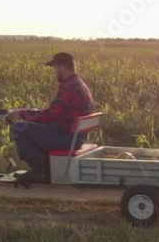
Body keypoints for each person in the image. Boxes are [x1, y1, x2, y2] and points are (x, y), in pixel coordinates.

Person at [8, 52, 95, 184]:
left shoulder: (69, 88)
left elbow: (50, 115)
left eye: (55, 68)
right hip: (76, 135)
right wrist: (27, 113)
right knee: (33, 128)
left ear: (62, 67)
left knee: (19, 128)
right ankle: (45, 169)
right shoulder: (79, 84)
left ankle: (39, 171)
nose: (54, 72)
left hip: (67, 138)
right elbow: (55, 113)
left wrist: (22, 114)